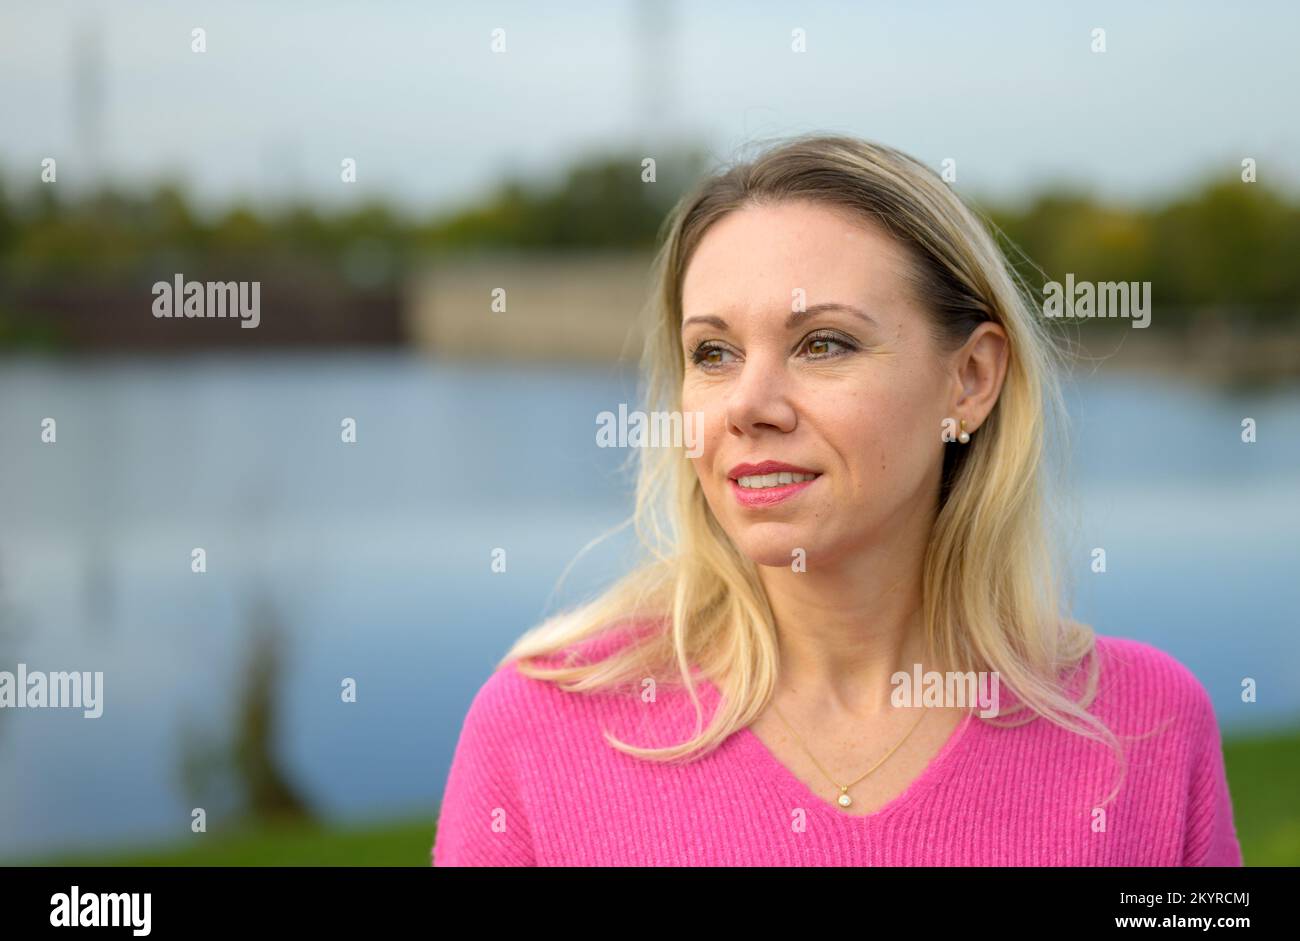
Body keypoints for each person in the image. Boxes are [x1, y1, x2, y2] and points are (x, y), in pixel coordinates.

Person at [431, 134, 1243, 866]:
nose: (749, 404)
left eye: (823, 343)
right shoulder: (539, 731)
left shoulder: (1148, 727)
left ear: (970, 380)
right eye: (712, 353)